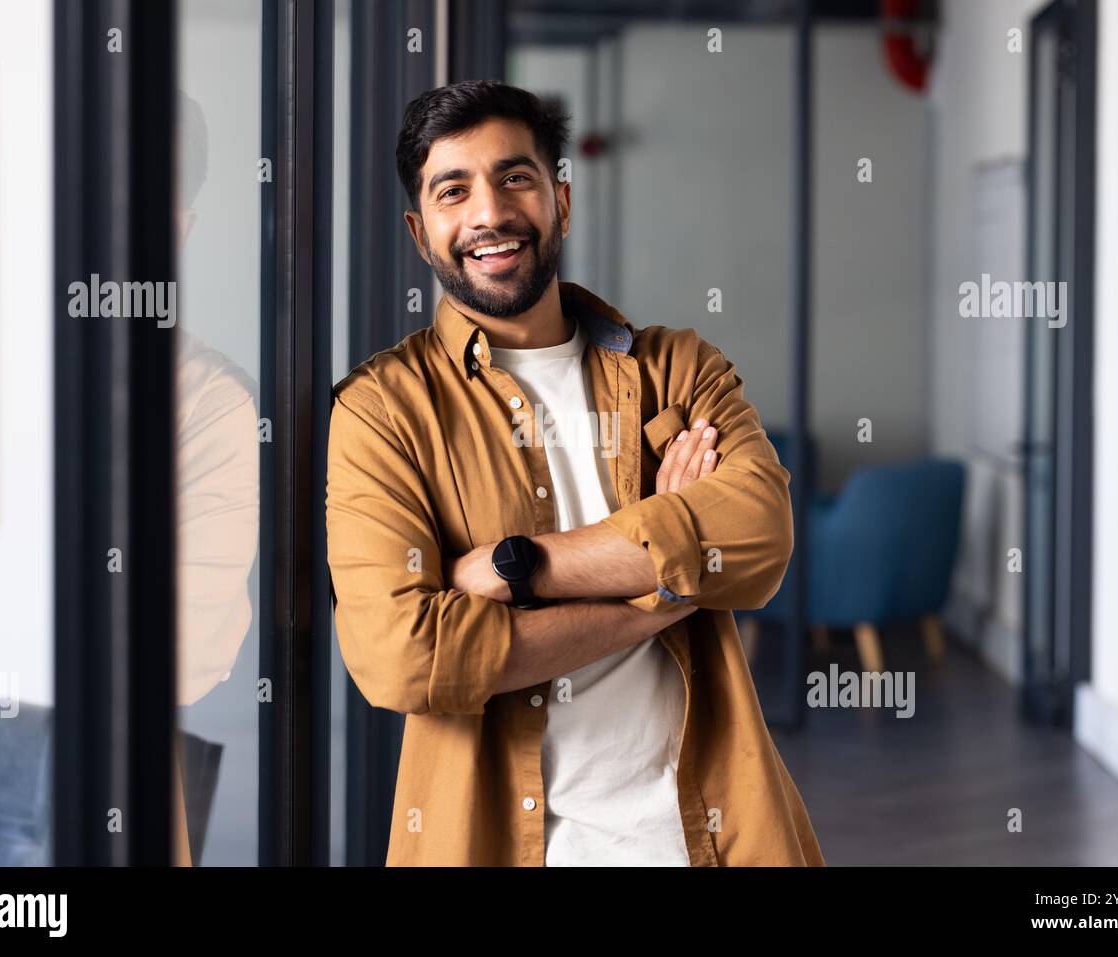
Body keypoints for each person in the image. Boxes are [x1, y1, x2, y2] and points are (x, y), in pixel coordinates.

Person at [325, 79, 823, 866]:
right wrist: (663, 595)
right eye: (454, 191)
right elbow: (400, 656)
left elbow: (760, 536)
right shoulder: (381, 410)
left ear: (560, 198)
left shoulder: (679, 367)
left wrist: (508, 570)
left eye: (515, 177)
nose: (489, 213)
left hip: (711, 840)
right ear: (422, 234)